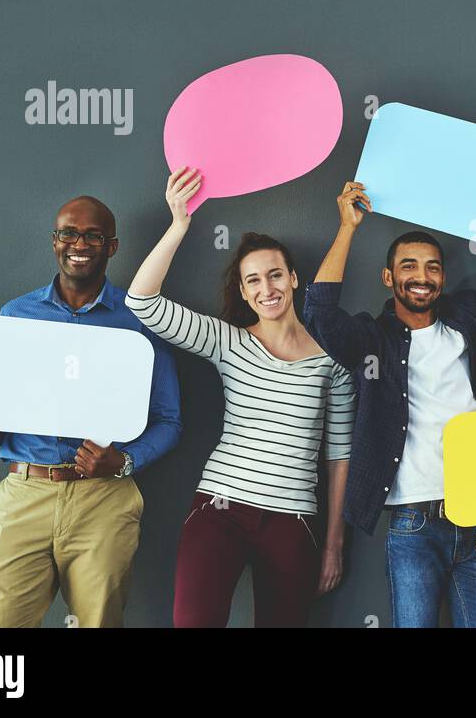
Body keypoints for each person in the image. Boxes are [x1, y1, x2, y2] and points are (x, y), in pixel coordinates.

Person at [304, 148, 476, 628]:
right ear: (389, 277)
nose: (422, 276)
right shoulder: (369, 338)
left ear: (443, 277)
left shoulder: (467, 318)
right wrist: (349, 227)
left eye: (433, 267)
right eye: (410, 267)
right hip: (413, 521)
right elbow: (319, 314)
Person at [0, 196, 182, 627]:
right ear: (54, 241)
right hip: (24, 492)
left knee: (98, 622)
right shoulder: (15, 316)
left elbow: (169, 420)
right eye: (68, 233)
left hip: (103, 497)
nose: (79, 243)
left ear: (112, 246)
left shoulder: (141, 321)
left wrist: (125, 461)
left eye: (93, 235)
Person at [126, 167, 356, 627]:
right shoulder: (226, 340)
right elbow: (142, 301)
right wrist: (179, 225)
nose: (266, 288)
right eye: (253, 281)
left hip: (294, 522)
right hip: (220, 510)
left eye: (274, 276)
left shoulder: (335, 358)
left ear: (293, 279)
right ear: (244, 292)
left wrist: (334, 543)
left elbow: (339, 455)